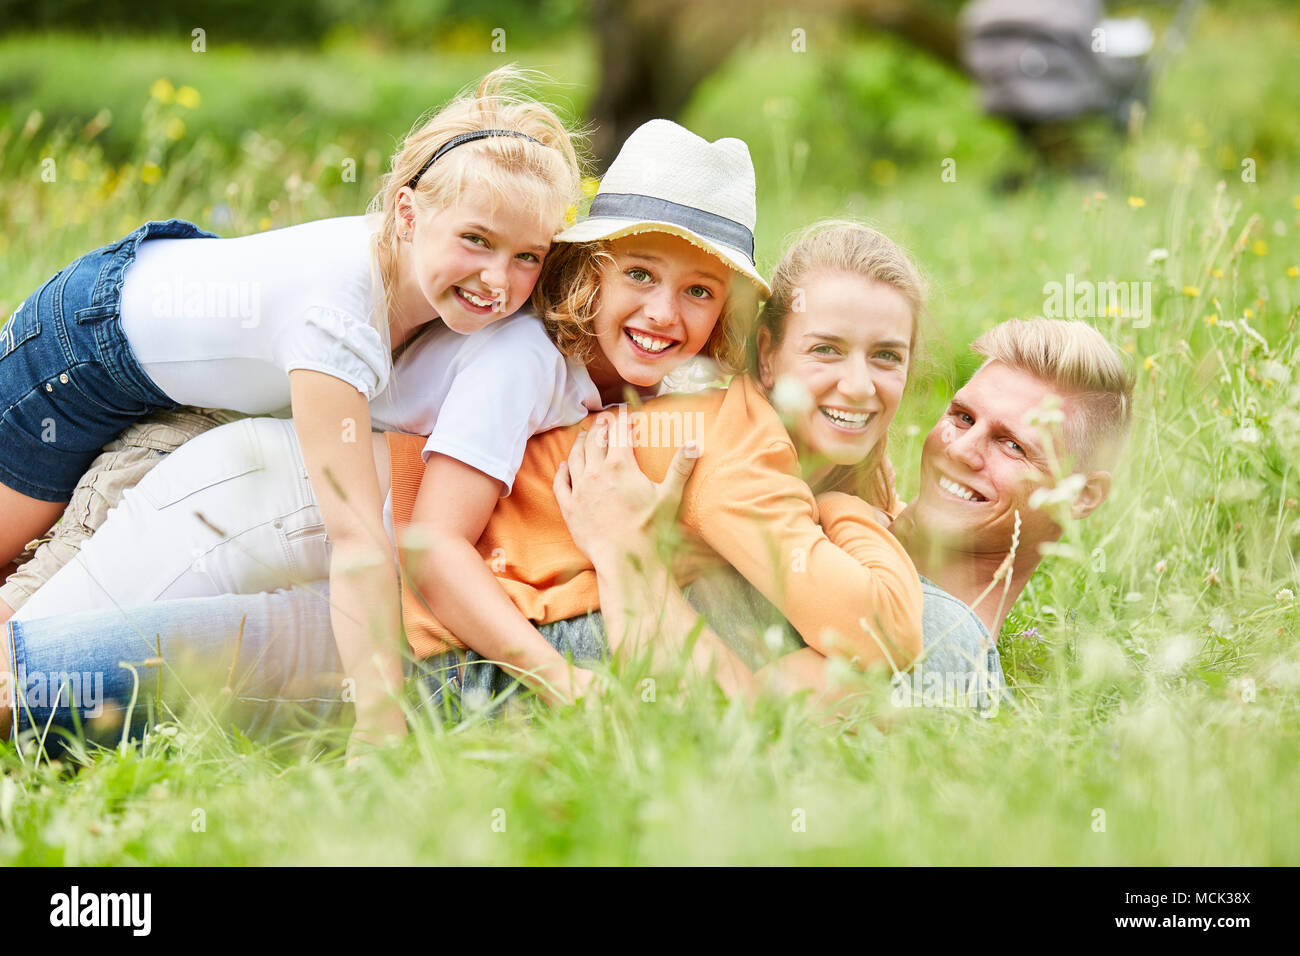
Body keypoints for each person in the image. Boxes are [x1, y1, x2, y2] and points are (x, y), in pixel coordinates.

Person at [1, 121, 772, 749]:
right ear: (590, 269)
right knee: (26, 669)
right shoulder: (520, 358)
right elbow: (426, 545)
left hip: (282, 478)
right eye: (639, 274)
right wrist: (549, 676)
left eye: (699, 291)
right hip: (242, 493)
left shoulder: (628, 374)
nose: (665, 313)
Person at [554, 316, 1136, 718]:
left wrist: (623, 550)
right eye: (961, 417)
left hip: (496, 674)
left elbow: (730, 722)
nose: (961, 450)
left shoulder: (942, 641)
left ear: (1082, 498)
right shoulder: (857, 510)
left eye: (1013, 445)